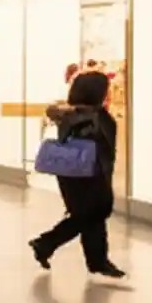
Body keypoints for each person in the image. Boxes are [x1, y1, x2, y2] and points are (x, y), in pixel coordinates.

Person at [28, 71, 125, 279]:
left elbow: (53, 111)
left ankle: (97, 261)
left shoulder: (71, 113)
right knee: (93, 213)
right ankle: (46, 243)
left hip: (71, 172)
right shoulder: (90, 115)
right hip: (89, 171)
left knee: (88, 215)